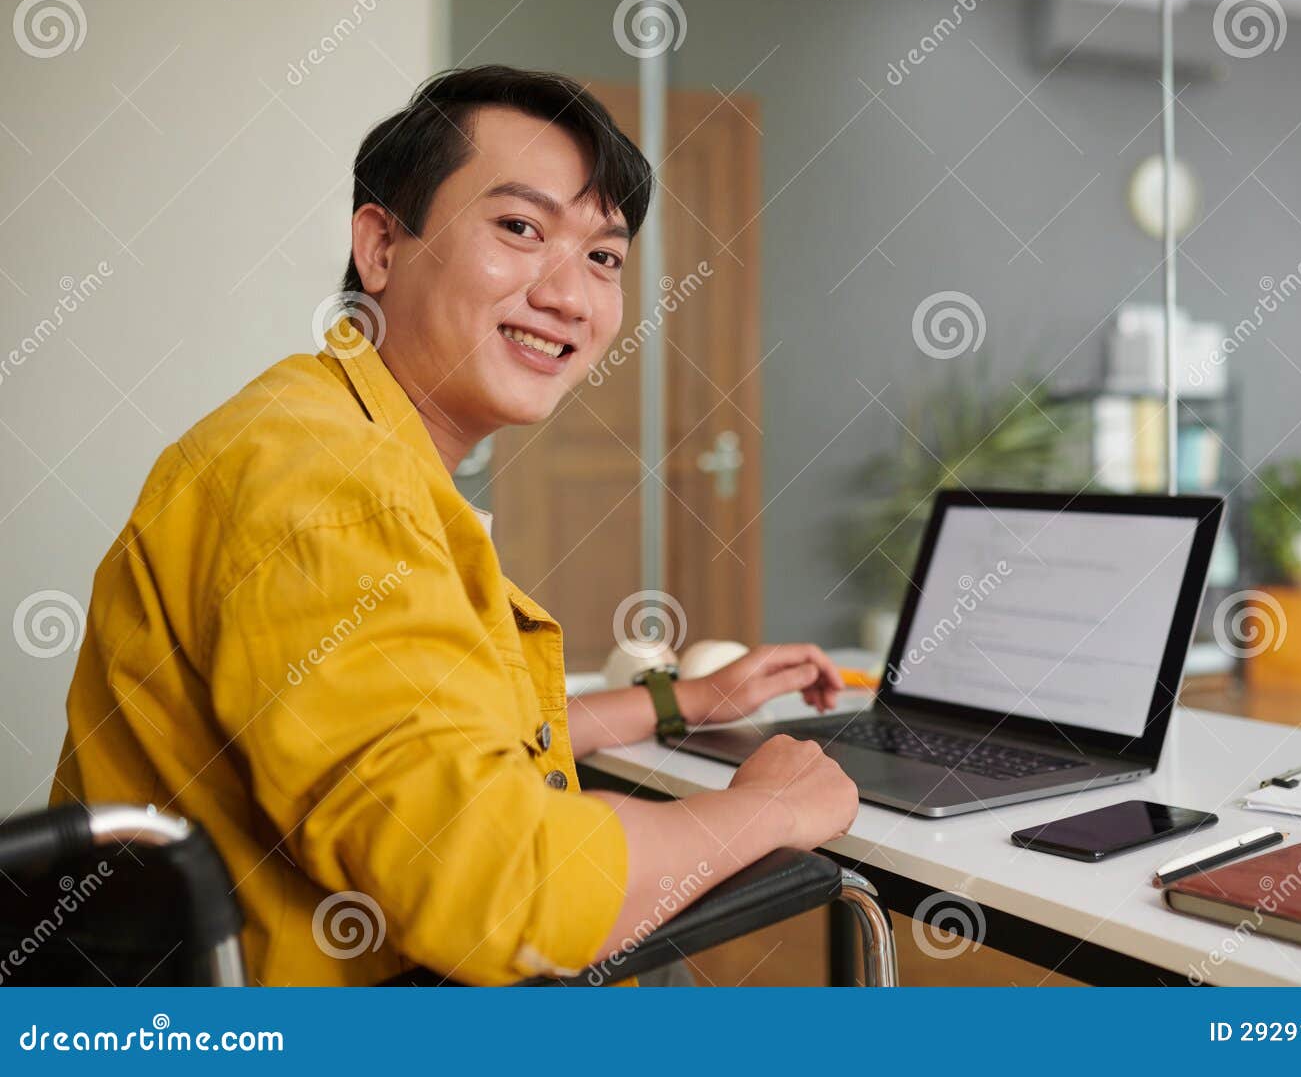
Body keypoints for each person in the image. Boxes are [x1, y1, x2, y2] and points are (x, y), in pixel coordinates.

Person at [52, 66, 859, 986]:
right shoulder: (331, 483)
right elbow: (496, 890)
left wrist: (681, 704)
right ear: (381, 247)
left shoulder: (328, 433)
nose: (570, 296)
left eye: (604, 257)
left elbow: (440, 744)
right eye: (520, 228)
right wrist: (769, 809)